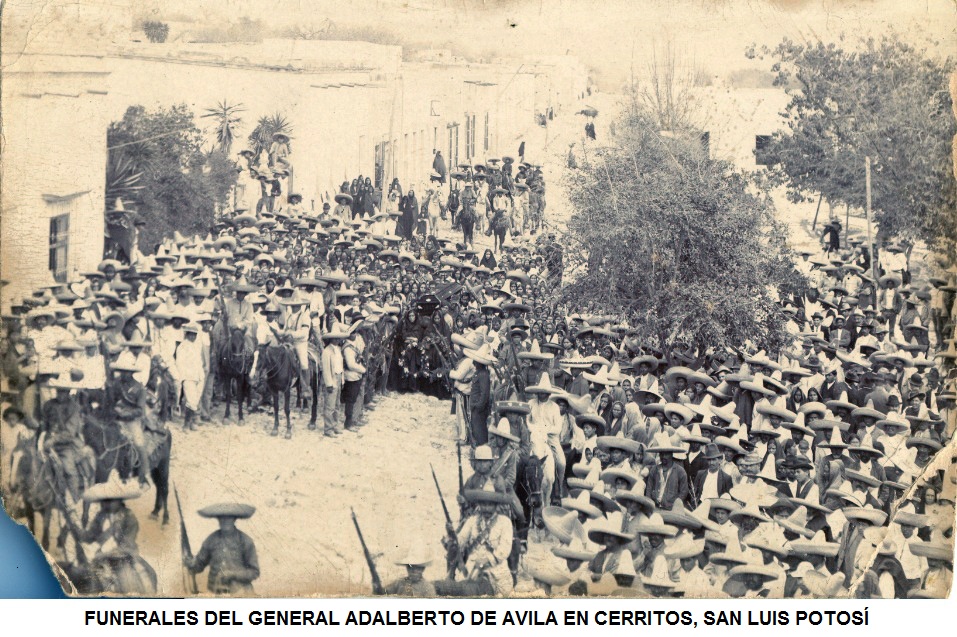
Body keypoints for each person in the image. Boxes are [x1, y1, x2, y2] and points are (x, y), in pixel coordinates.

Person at [186, 502, 260, 595]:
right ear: (218, 519)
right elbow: (199, 564)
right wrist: (191, 563)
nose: (225, 521)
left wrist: (233, 574)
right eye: (221, 518)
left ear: (234, 519)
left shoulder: (245, 541)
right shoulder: (211, 539)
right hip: (215, 592)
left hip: (240, 593)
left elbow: (254, 572)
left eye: (228, 517)